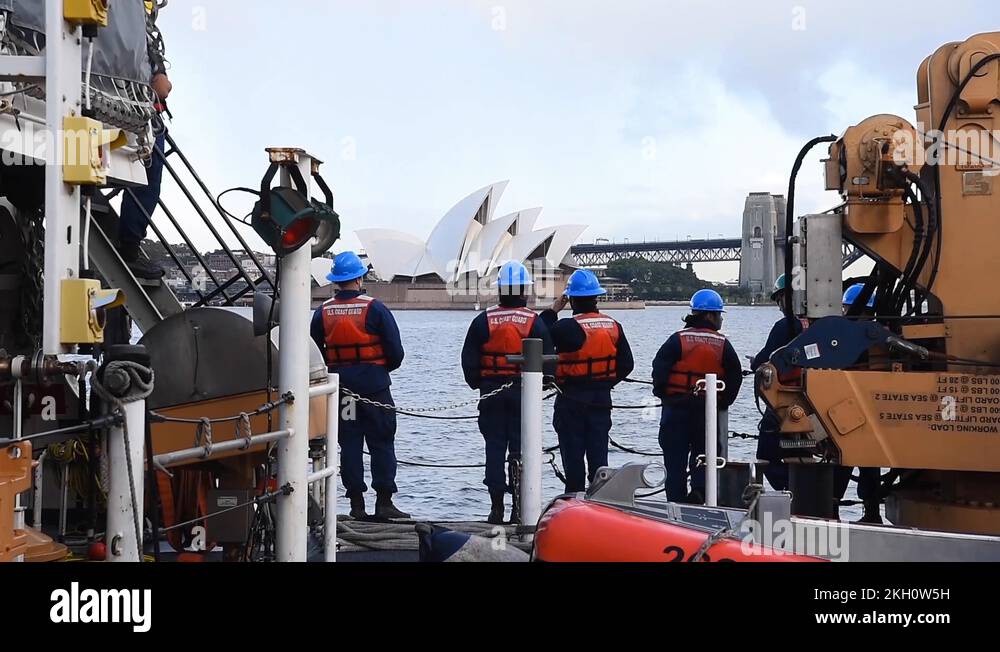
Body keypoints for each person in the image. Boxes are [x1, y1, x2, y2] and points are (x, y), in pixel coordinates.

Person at [310, 252, 409, 521]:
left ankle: (356, 505)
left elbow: (314, 354)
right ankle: (384, 502)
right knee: (382, 443)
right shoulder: (375, 308)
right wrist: (376, 369)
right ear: (359, 277)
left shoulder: (323, 311)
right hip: (375, 390)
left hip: (342, 393)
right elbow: (396, 352)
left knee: (350, 444)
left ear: (336, 280)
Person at [461, 261, 553, 524]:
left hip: (491, 393)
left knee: (494, 448)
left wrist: (480, 383)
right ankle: (518, 509)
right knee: (520, 451)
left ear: (500, 290)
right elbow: (548, 358)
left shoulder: (483, 321)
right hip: (523, 394)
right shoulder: (533, 321)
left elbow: (469, 360)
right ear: (524, 289)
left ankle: (495, 507)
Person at [541, 270, 634, 493]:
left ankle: (574, 501)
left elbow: (537, 334)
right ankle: (600, 501)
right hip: (601, 398)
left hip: (571, 398)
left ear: (571, 299)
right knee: (598, 453)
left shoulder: (566, 327)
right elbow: (627, 364)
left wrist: (553, 310)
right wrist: (605, 382)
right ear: (596, 297)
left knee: (573, 455)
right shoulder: (613, 325)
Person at [652, 289, 743, 503]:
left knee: (674, 460)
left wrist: (666, 396)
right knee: (706, 456)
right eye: (719, 314)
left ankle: (675, 502)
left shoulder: (677, 340)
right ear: (710, 316)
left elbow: (659, 371)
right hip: (706, 411)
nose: (720, 319)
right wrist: (723, 402)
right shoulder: (722, 344)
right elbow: (734, 376)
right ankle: (700, 494)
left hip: (676, 409)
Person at [117, 3, 174, 280]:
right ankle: (129, 246)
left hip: (117, 113)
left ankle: (129, 243)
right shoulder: (139, 38)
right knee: (147, 186)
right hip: (137, 119)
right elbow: (163, 88)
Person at [750, 274, 809, 490]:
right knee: (804, 454)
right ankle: (816, 498)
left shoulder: (785, 326)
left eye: (779, 300)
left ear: (787, 298)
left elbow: (765, 358)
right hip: (819, 405)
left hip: (785, 402)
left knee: (766, 454)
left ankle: (788, 493)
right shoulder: (823, 325)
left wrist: (754, 363)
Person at [836, 283, 882, 524]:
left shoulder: (847, 337)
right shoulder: (880, 336)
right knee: (869, 463)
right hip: (872, 409)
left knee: (843, 459)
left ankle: (830, 508)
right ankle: (872, 513)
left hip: (848, 408)